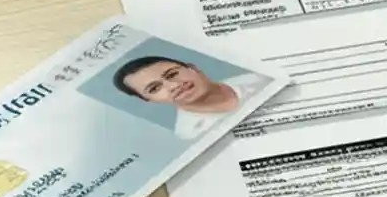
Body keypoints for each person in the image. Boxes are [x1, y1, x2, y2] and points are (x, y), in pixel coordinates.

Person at [112, 55, 269, 139]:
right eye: (154, 88)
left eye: (172, 74)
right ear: (148, 100)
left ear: (193, 68)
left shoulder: (260, 78)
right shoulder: (190, 136)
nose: (173, 85)